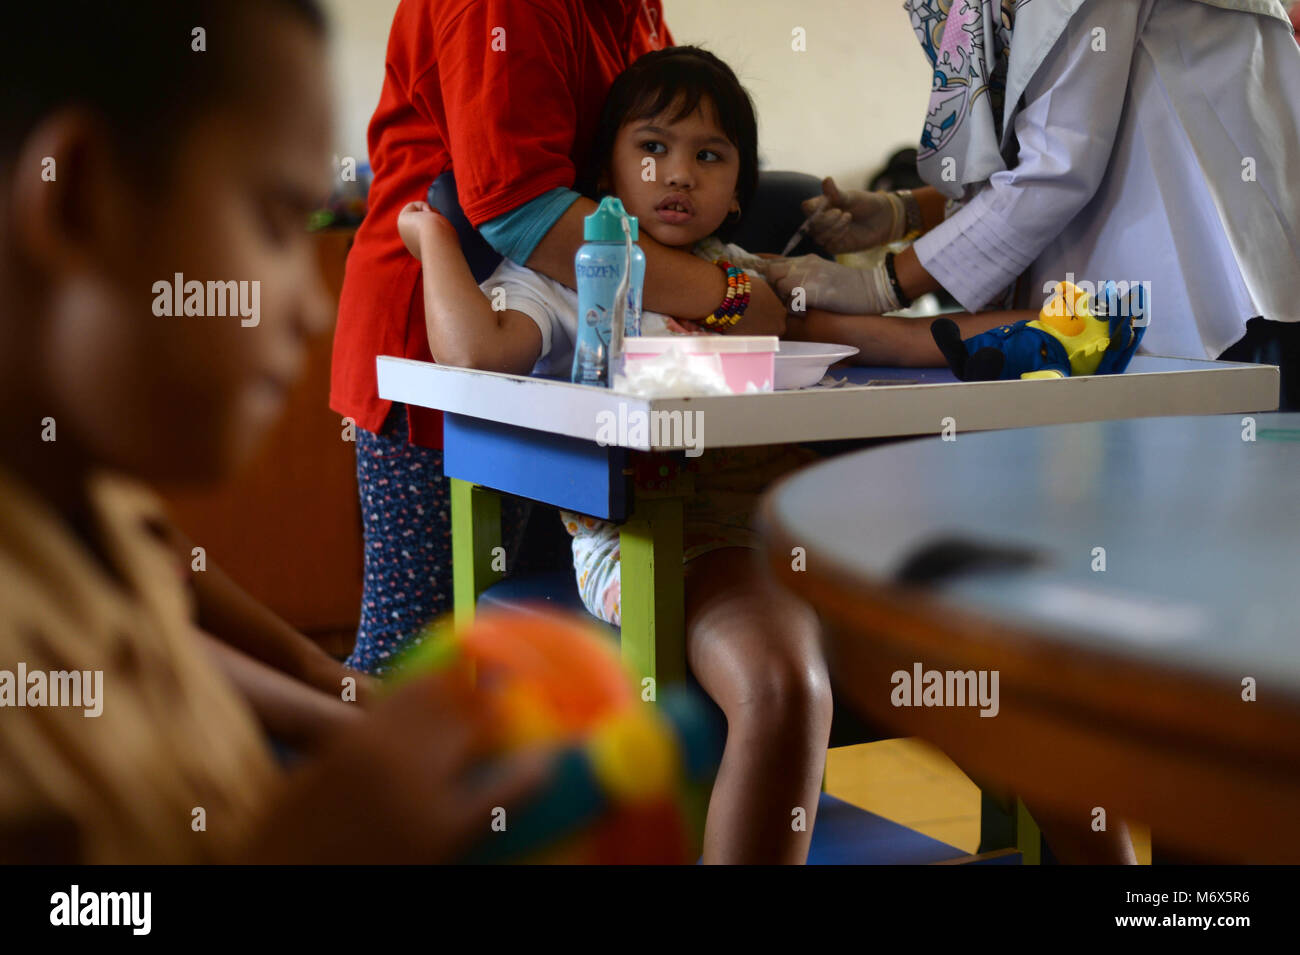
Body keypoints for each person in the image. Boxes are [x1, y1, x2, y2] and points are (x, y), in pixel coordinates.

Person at [0, 0, 547, 863]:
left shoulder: (87, 509)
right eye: (273, 218)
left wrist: (349, 701)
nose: (311, 303)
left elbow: (165, 631)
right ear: (78, 199)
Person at [395, 47, 833, 865]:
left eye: (709, 156)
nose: (679, 174)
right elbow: (476, 354)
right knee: (782, 685)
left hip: (790, 530)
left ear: (739, 190)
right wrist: (435, 240)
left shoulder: (740, 280)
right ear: (604, 171)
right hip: (664, 536)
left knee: (1013, 647)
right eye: (653, 147)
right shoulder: (570, 281)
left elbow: (844, 338)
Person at [332, 0, 790, 674]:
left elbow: (636, 138)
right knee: (415, 665)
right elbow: (518, 208)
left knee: (546, 678)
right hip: (452, 330)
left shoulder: (635, 10)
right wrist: (728, 296)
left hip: (574, 376)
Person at [765, 0, 1300, 409]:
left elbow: (1059, 167)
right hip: (1124, 295)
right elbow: (1045, 151)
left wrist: (883, 282)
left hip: (1222, 296)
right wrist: (906, 212)